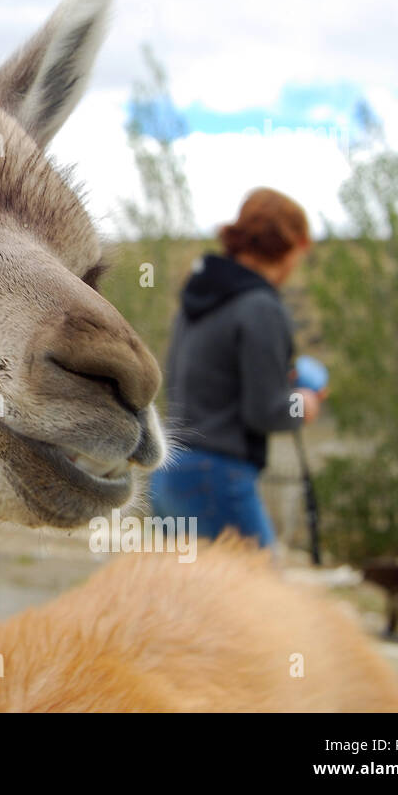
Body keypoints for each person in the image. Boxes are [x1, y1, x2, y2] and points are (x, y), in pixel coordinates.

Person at [148, 188, 323, 548]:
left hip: (170, 473)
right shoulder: (260, 306)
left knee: (189, 597)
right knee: (264, 600)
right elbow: (265, 411)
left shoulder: (198, 295)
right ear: (291, 247)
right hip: (218, 476)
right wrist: (303, 403)